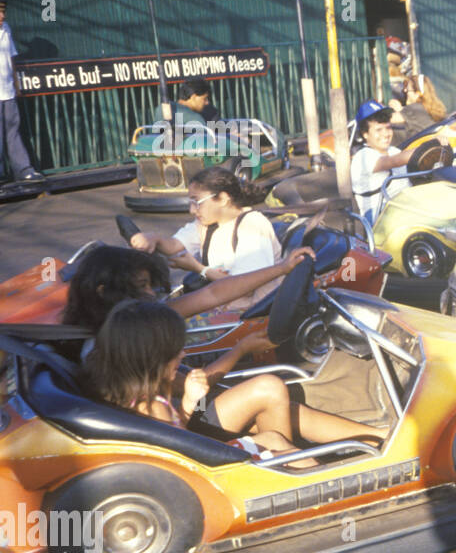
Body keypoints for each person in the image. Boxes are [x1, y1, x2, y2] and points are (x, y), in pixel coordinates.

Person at [84, 300, 383, 460]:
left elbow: (201, 379)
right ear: (151, 359)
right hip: (202, 453)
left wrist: (239, 350)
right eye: (175, 353)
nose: (183, 354)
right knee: (269, 392)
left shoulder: (133, 381)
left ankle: (377, 437)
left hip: (194, 427)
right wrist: (190, 403)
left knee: (273, 408)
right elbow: (181, 452)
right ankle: (289, 469)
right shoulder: (152, 408)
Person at [62, 244, 313, 344]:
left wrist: (281, 268)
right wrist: (239, 353)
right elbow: (187, 395)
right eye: (141, 286)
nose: (150, 293)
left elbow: (213, 294)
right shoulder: (119, 341)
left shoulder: (139, 317)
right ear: (103, 292)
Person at [127, 168, 282, 309]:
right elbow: (175, 246)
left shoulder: (252, 225)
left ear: (222, 198)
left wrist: (198, 269)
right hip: (220, 307)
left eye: (197, 202)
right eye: (190, 203)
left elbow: (246, 287)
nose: (192, 210)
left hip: (248, 315)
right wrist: (153, 238)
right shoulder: (206, 224)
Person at [0, 0, 43, 183]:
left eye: (4, 11)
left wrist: (17, 86)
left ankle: (24, 170)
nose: (2, 15)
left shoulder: (6, 29)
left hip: (8, 91)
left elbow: (12, 59)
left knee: (13, 132)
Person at [350, 100, 415, 224]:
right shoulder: (363, 157)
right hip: (379, 215)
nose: (386, 134)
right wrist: (428, 146)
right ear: (365, 134)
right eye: (379, 130)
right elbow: (393, 161)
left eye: (388, 128)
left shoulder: (394, 150)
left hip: (403, 206)